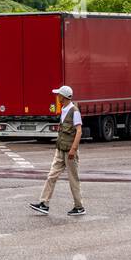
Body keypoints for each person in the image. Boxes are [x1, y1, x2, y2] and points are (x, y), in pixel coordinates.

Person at [30, 85, 85, 216]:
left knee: (73, 179)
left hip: (70, 152)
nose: (57, 96)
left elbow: (79, 131)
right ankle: (44, 204)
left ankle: (79, 207)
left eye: (58, 94)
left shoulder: (74, 111)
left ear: (64, 97)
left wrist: (73, 149)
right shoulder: (64, 109)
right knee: (51, 176)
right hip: (60, 150)